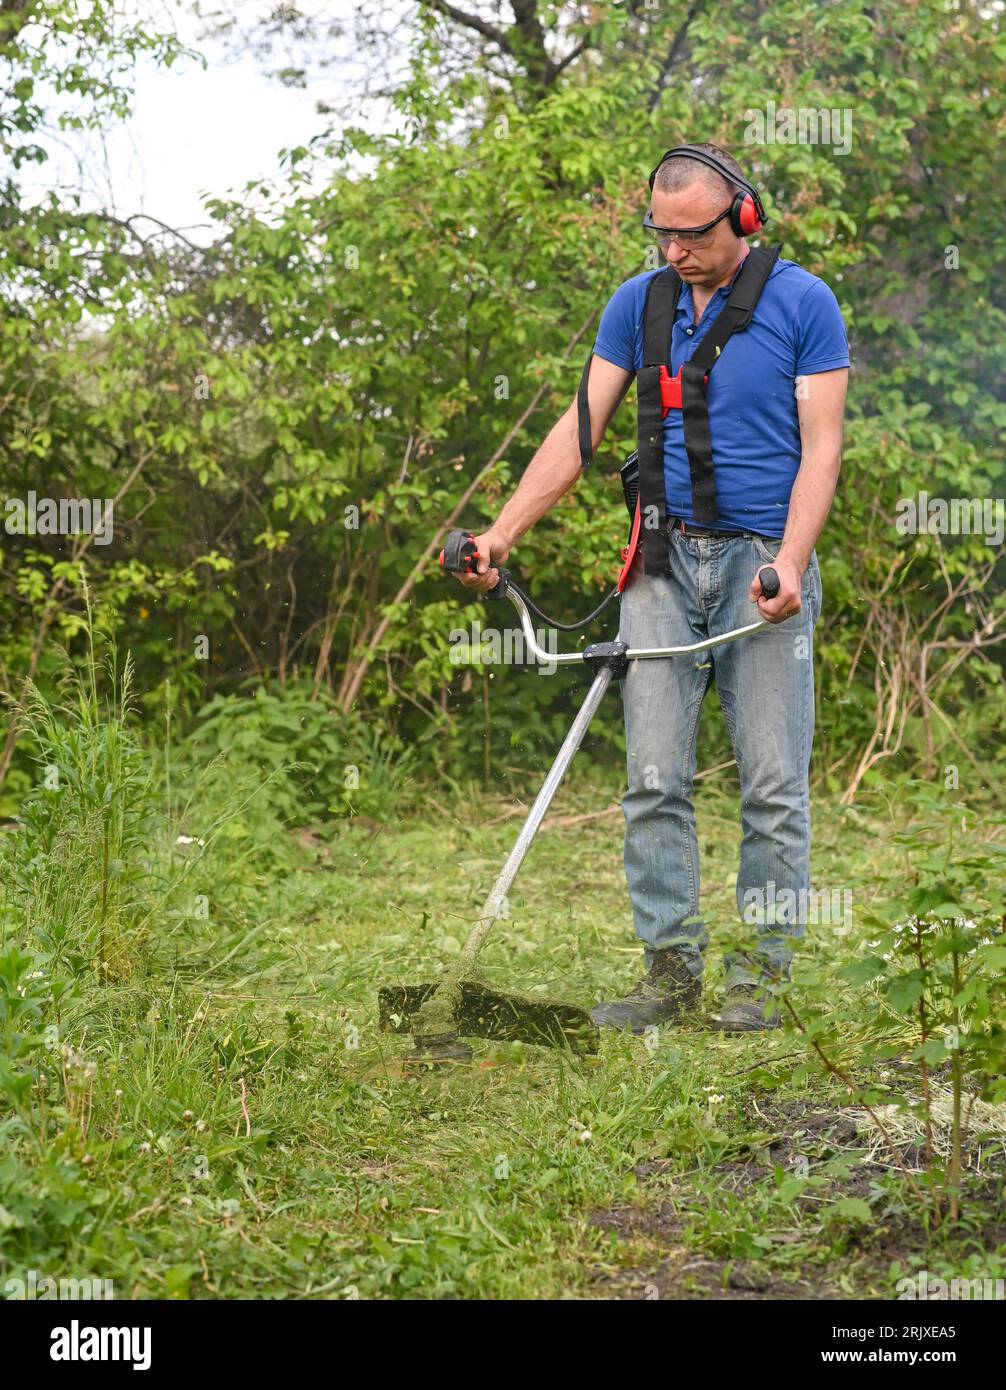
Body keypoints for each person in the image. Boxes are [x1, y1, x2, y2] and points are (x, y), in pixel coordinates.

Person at [453, 143, 849, 1033]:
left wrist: (790, 561)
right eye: (660, 234)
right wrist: (500, 535)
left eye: (693, 234)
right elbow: (579, 431)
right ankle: (670, 975)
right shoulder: (639, 305)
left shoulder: (803, 303)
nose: (674, 251)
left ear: (743, 218)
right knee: (654, 775)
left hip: (761, 564)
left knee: (773, 781)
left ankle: (761, 983)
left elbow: (821, 448)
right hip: (661, 563)